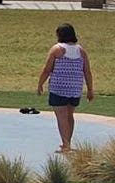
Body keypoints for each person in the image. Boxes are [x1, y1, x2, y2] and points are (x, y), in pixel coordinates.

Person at [36, 22, 94, 153]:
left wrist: (40, 83)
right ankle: (67, 142)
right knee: (69, 115)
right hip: (75, 88)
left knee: (61, 117)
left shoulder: (57, 49)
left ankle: (65, 143)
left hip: (59, 88)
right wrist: (90, 89)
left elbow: (47, 69)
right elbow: (87, 71)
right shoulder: (81, 51)